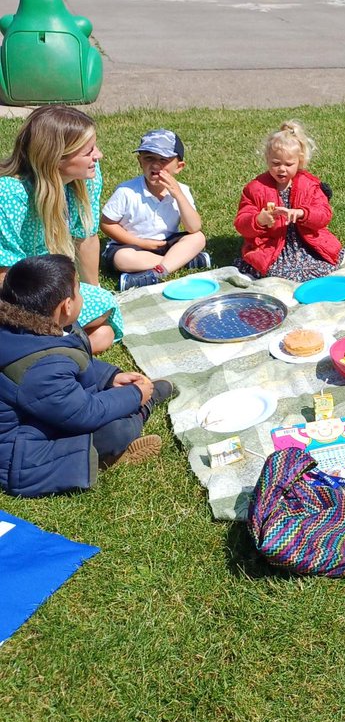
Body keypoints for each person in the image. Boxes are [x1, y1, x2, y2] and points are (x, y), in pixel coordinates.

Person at [0, 255, 173, 497]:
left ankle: (121, 426)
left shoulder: (29, 323)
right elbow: (85, 413)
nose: (83, 297)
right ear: (66, 306)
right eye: (79, 291)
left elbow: (74, 362)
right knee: (115, 431)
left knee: (108, 405)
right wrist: (135, 395)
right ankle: (139, 414)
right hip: (22, 453)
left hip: (40, 412)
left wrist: (110, 377)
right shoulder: (38, 368)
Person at [0, 105, 121, 353]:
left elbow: (85, 237)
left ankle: (50, 348)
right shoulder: (10, 193)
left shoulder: (86, 178)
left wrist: (88, 290)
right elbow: (5, 274)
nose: (99, 156)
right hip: (17, 292)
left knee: (105, 320)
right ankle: (48, 347)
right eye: (88, 152)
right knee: (100, 325)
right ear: (57, 157)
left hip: (54, 288)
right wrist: (48, 309)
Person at [100, 129, 210, 292]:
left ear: (179, 167)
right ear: (140, 162)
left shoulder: (182, 191)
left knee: (198, 238)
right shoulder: (127, 191)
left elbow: (193, 227)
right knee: (122, 259)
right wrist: (139, 242)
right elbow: (107, 224)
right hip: (131, 245)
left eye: (163, 160)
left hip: (166, 242)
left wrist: (178, 195)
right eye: (149, 158)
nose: (156, 165)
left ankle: (156, 273)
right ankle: (181, 261)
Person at [234, 120, 344, 281]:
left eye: (289, 164)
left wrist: (302, 213)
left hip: (306, 243)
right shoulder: (255, 189)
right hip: (272, 247)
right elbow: (241, 223)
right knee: (275, 273)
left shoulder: (310, 185)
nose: (282, 169)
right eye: (276, 164)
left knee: (325, 266)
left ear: (300, 162)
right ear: (267, 159)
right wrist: (258, 220)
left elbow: (324, 215)